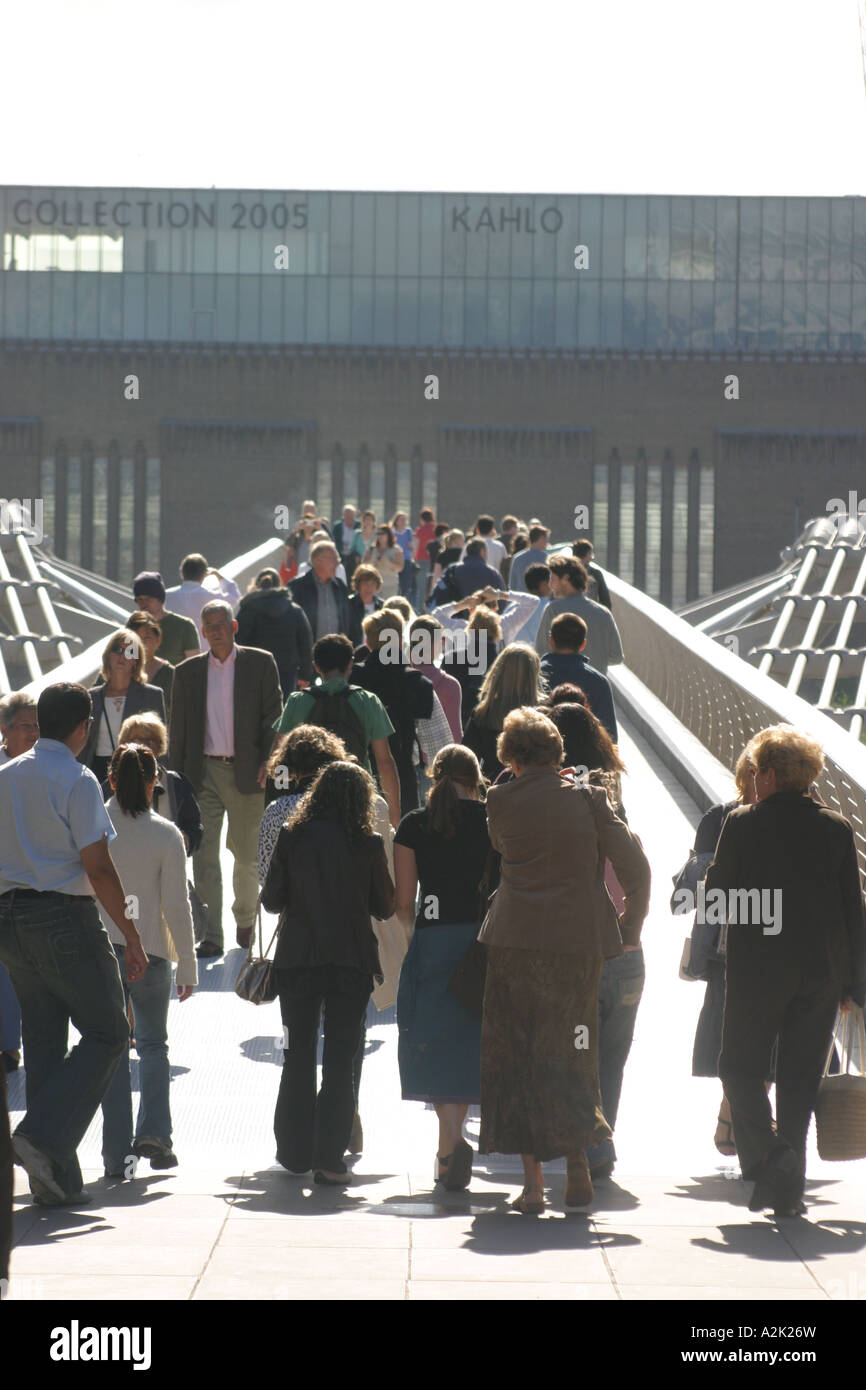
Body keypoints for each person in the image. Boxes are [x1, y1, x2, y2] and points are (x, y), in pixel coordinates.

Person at [478, 707, 650, 1215]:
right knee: (574, 1047)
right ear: (558, 753)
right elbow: (636, 867)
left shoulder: (499, 799)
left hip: (514, 940)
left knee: (518, 1052)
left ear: (509, 755)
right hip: (578, 944)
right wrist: (629, 925)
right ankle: (577, 1164)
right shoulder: (589, 798)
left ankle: (532, 1185)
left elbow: (502, 847)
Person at [707, 725, 866, 1218]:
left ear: (770, 774)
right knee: (799, 1077)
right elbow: (852, 910)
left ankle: (770, 1157)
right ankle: (787, 1188)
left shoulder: (743, 823)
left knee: (738, 1066)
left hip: (759, 970)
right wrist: (854, 984)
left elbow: (716, 898)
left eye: (756, 771)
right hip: (821, 972)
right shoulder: (837, 828)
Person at [0, 683, 147, 1205]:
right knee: (110, 1031)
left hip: (9, 919)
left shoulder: (6, 775)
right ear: (84, 727)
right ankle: (42, 1139)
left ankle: (54, 1180)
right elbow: (99, 867)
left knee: (43, 1042)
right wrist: (131, 935)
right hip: (63, 915)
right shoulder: (77, 778)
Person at [258, 724, 405, 1155]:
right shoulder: (367, 842)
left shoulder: (290, 835)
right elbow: (384, 907)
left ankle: (294, 1149)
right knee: (342, 1060)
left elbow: (271, 901)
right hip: (351, 961)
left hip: (299, 960)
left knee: (297, 1053)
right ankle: (330, 1154)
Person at [545, 701, 636, 1182]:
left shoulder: (542, 796)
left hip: (571, 942)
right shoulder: (606, 789)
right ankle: (599, 1142)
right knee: (611, 1055)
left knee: (572, 1045)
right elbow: (634, 865)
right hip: (619, 941)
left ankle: (582, 1142)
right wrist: (632, 925)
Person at [394, 746, 491, 1190]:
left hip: (434, 939)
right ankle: (450, 1150)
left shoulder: (415, 824)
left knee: (434, 1039)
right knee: (471, 1040)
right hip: (483, 943)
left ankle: (448, 1148)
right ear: (476, 777)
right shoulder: (495, 821)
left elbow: (403, 904)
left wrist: (419, 939)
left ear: (435, 777)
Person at [99, 743, 197, 1178]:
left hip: (101, 951)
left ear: (111, 779)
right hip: (153, 950)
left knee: (113, 1047)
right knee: (154, 1045)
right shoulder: (166, 834)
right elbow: (178, 905)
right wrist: (189, 965)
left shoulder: (92, 827)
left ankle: (116, 1149)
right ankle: (155, 1132)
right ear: (155, 782)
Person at [168, 600, 282, 958]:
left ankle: (245, 918)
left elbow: (274, 719)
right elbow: (179, 730)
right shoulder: (186, 673)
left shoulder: (261, 663)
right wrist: (176, 780)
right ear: (202, 632)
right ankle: (212, 934)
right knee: (204, 856)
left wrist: (270, 760)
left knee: (247, 856)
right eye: (209, 625)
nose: (215, 630)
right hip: (202, 773)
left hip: (249, 771)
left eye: (221, 623)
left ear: (234, 627)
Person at [679, 749, 756, 1157]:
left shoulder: (720, 819)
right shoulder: (723, 818)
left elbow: (693, 894)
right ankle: (739, 1114)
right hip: (738, 949)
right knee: (746, 1038)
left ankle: (737, 1115)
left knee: (740, 1036)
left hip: (737, 949)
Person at [274, 634, 401, 828]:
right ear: (351, 663)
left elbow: (280, 761)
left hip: (306, 803)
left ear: (316, 666)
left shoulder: (297, 701)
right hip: (359, 798)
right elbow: (385, 763)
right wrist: (394, 815)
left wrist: (280, 798)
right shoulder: (368, 700)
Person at [353, 610, 436, 815]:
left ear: (369, 641)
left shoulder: (354, 679)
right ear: (399, 640)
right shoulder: (419, 683)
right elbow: (434, 740)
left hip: (360, 777)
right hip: (404, 778)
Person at [0, 693, 40, 1075]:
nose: (33, 733)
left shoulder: (47, 769)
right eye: (26, 726)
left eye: (38, 727)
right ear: (5, 729)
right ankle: (9, 1046)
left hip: (36, 884)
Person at [79, 629, 166, 783]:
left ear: (136, 660)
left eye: (130, 651)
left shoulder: (152, 695)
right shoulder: (91, 697)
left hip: (137, 768)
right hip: (96, 770)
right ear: (108, 656)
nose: (122, 656)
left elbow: (160, 743)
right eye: (117, 650)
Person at [108, 713, 203, 854]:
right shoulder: (108, 786)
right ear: (123, 745)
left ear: (160, 746)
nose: (142, 746)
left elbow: (195, 827)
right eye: (135, 740)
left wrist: (185, 840)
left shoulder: (177, 784)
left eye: (149, 741)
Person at [462, 644, 546, 782]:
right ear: (533, 675)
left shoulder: (482, 714)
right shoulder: (543, 715)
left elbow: (468, 757)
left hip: (493, 788)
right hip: (533, 789)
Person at [534, 556, 624, 675]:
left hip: (562, 688)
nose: (550, 585)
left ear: (565, 578)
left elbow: (541, 653)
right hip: (597, 687)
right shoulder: (603, 613)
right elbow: (617, 657)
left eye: (552, 579)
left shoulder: (554, 610)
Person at [236, 567, 314, 699]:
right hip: (287, 672)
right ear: (280, 584)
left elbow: (238, 640)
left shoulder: (247, 609)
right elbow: (305, 642)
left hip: (254, 671)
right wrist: (305, 674)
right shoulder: (294, 609)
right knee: (283, 712)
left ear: (257, 585)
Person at [541, 613, 618, 744]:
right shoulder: (599, 682)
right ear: (583, 644)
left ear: (551, 641)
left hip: (539, 760)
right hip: (584, 762)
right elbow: (610, 737)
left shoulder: (534, 675)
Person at [408, 615, 463, 742]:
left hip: (404, 757)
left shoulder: (399, 679)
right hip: (437, 757)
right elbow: (455, 736)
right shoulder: (450, 685)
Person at [431, 585, 540, 649]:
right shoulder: (506, 624)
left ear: (471, 610)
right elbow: (533, 601)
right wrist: (499, 594)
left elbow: (435, 616)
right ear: (495, 609)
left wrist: (462, 604)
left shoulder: (460, 627)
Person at [289, 541, 354, 643]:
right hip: (309, 653)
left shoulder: (340, 586)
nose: (337, 563)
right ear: (318, 560)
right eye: (333, 559)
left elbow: (346, 621)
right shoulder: (297, 587)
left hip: (337, 652)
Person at [131, 571, 199, 666]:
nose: (144, 604)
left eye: (148, 599)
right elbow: (129, 663)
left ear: (160, 598)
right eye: (139, 600)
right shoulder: (133, 627)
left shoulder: (184, 626)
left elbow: (194, 667)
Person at [165, 553, 241, 637]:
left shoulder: (165, 596)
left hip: (174, 649)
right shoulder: (213, 599)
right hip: (205, 648)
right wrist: (218, 575)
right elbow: (235, 598)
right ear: (205, 574)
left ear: (181, 573)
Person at [125, 611, 174, 723]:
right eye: (136, 637)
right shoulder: (116, 668)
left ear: (158, 640)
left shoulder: (170, 674)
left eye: (147, 637)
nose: (141, 643)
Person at [428, 537, 504, 609]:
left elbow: (438, 593)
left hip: (455, 619)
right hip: (483, 619)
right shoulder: (492, 573)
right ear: (482, 551)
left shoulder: (451, 570)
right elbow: (502, 600)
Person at [511, 563, 552, 646]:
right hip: (535, 656)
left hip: (511, 654)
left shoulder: (512, 606)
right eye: (550, 582)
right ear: (543, 584)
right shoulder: (549, 608)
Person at [347, 564, 384, 649]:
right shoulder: (348, 604)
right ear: (358, 584)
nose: (369, 587)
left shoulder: (382, 606)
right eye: (365, 583)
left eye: (373, 584)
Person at [363, 524, 404, 600]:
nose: (380, 536)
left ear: (389, 535)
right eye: (378, 534)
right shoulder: (372, 549)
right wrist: (371, 561)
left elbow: (400, 567)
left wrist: (389, 562)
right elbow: (363, 566)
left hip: (390, 586)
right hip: (373, 586)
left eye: (382, 534)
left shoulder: (396, 550)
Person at [508, 523, 550, 593]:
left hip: (520, 600)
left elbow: (512, 585)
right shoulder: (546, 558)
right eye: (546, 540)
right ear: (541, 538)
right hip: (540, 601)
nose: (547, 543)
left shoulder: (517, 558)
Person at [573, 539, 612, 610]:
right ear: (588, 554)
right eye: (591, 554)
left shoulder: (566, 571)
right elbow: (605, 600)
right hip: (591, 612)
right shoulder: (595, 573)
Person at [412, 507, 437, 608]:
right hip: (433, 562)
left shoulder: (420, 530)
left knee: (420, 588)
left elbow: (415, 547)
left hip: (420, 560)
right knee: (432, 587)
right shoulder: (435, 529)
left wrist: (413, 559)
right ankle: (431, 608)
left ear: (422, 519)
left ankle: (419, 610)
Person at [390, 511, 416, 598]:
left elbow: (411, 546)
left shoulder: (408, 531)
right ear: (396, 521)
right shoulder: (392, 532)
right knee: (395, 583)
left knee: (406, 585)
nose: (403, 522)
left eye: (404, 520)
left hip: (406, 560)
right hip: (394, 560)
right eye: (401, 520)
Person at [332, 505, 361, 581]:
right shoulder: (337, 526)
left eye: (351, 516)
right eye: (346, 516)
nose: (349, 518)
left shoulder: (359, 526)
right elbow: (333, 540)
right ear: (343, 516)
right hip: (341, 555)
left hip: (353, 556)